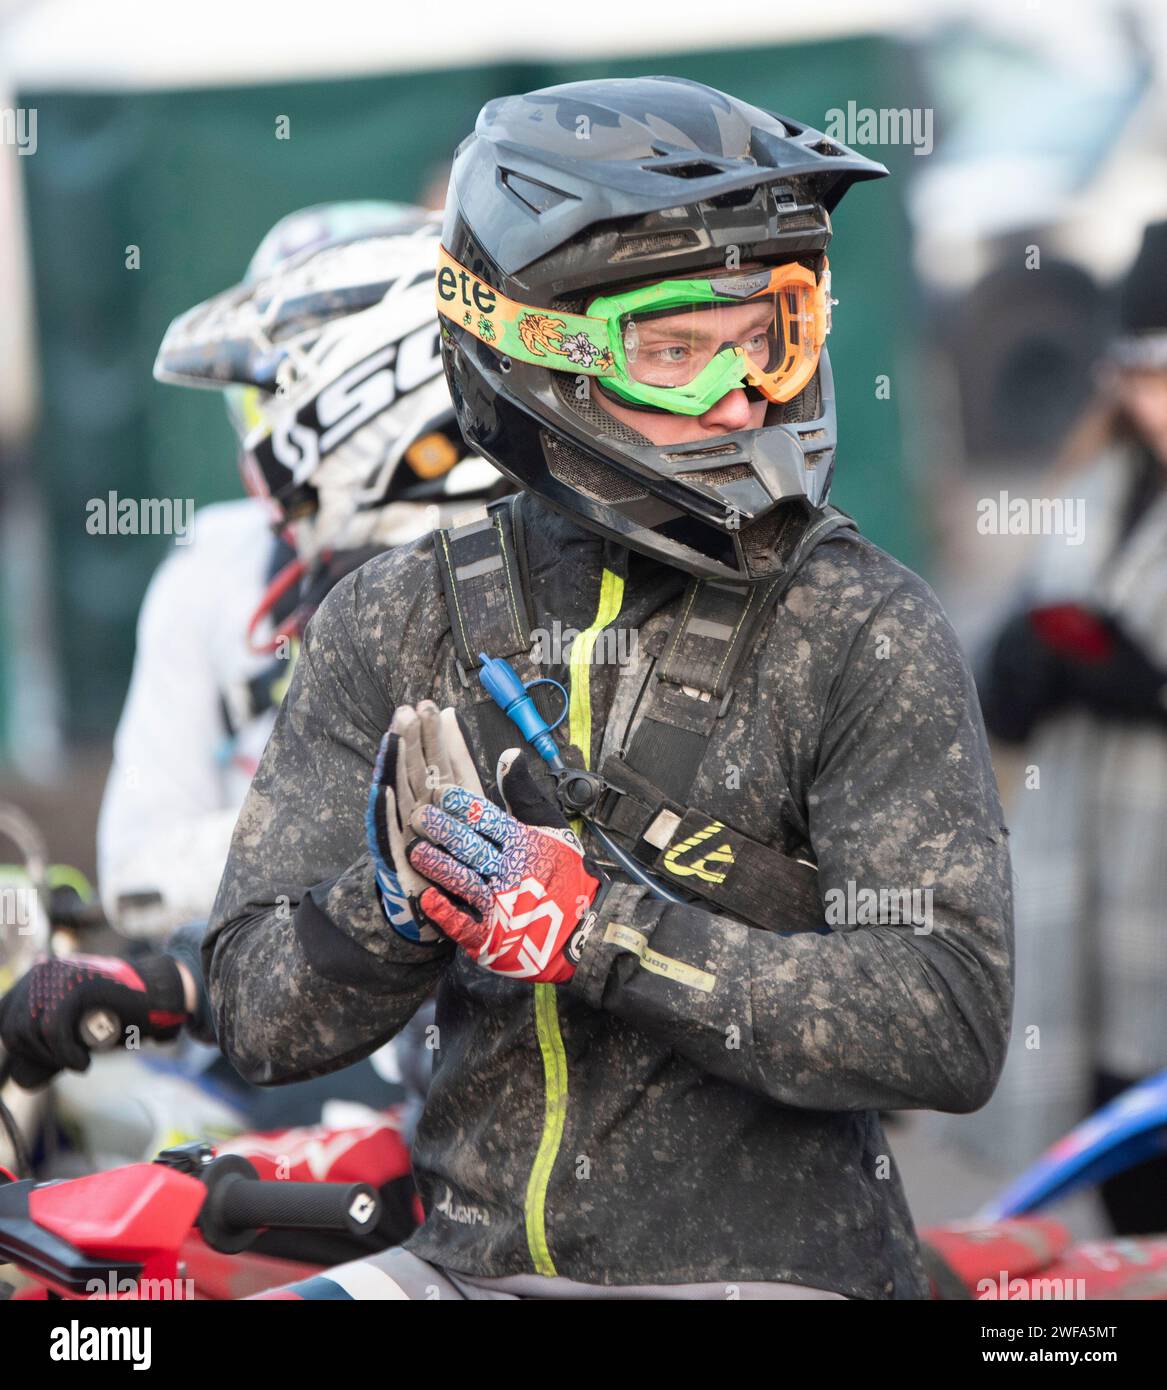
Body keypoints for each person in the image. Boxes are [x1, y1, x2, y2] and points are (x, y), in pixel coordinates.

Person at [205, 77, 1014, 1300]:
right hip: (460, 1265)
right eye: (677, 351)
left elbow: (947, 1020)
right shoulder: (392, 615)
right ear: (539, 354)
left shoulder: (860, 625)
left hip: (771, 1275)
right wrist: (393, 906)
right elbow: (253, 1020)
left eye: (768, 334)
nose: (741, 396)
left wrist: (594, 933)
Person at [1, 206, 499, 1145]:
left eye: (274, 404)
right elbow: (139, 876)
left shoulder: (523, 565)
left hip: (463, 1054)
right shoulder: (213, 567)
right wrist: (336, 841)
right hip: (253, 1006)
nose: (253, 447)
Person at [959, 220, 1167, 1235]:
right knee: (1128, 1223)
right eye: (1145, 374)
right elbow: (1000, 686)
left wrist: (1152, 691)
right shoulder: (1093, 496)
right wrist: (1018, 671)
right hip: (1090, 937)